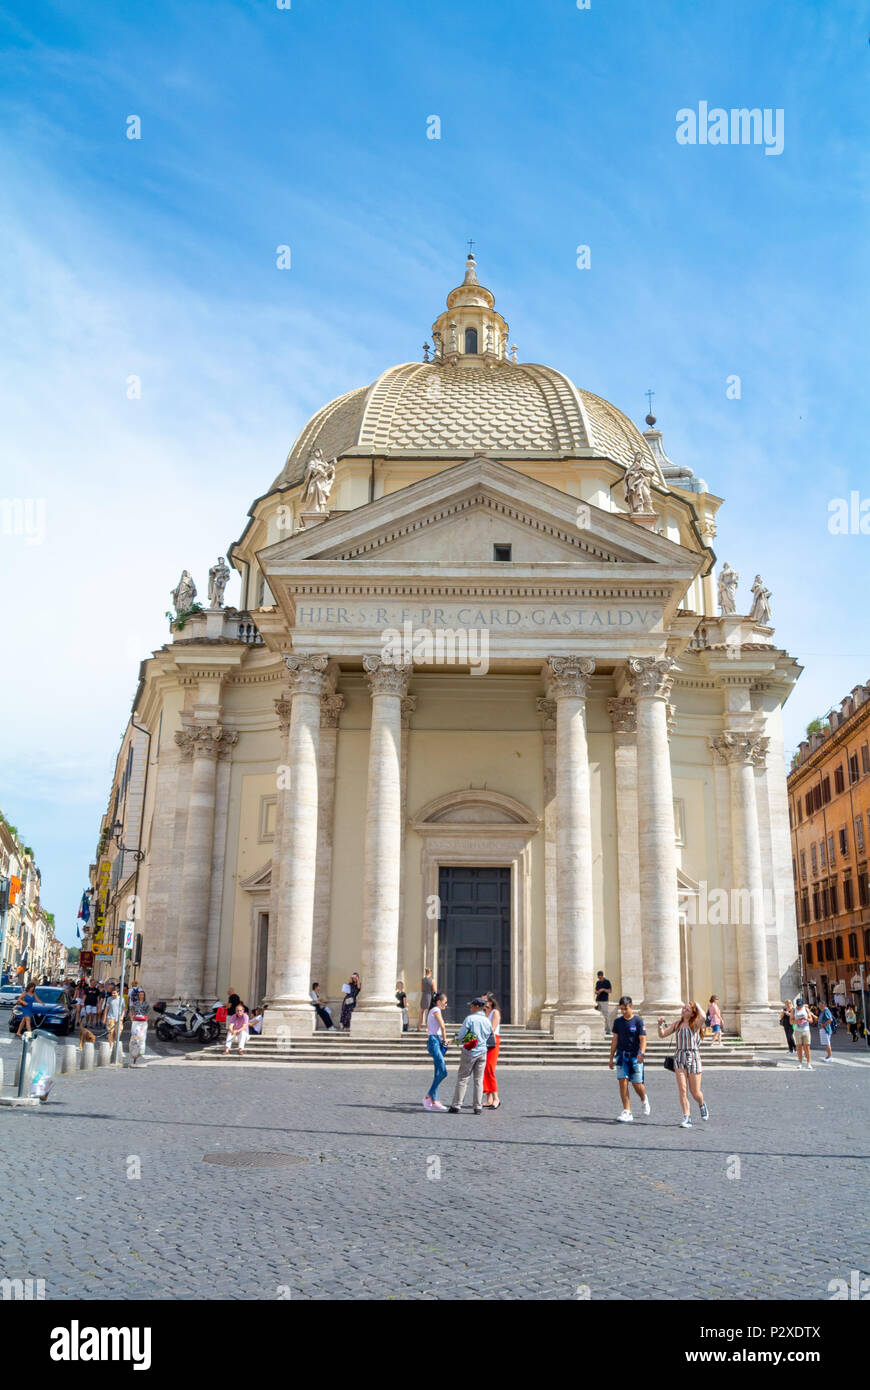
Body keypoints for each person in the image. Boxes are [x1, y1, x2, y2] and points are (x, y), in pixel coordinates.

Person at [658, 1002, 708, 1128]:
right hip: (679, 1058)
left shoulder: (695, 1024)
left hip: (693, 1058)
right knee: (683, 1090)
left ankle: (702, 1104)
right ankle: (687, 1117)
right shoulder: (677, 1024)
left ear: (692, 1013)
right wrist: (660, 1026)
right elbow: (662, 1034)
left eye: (687, 1009)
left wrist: (696, 1004)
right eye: (683, 1008)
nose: (683, 1010)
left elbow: (703, 1017)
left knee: (695, 1092)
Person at [448, 998, 493, 1115]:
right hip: (482, 1051)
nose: (470, 1008)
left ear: (477, 1006)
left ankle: (456, 1105)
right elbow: (489, 1035)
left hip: (469, 1052)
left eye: (472, 1006)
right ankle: (477, 1107)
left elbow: (462, 1035)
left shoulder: (470, 1019)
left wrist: (454, 1040)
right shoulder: (487, 1020)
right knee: (479, 1080)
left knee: (463, 1079)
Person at [609, 996, 650, 1121]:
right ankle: (627, 1111)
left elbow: (643, 1039)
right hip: (621, 1056)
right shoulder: (618, 1022)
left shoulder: (638, 1021)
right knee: (623, 1082)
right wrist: (611, 1057)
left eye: (625, 1009)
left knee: (637, 1084)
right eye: (621, 1009)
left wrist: (641, 1054)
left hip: (635, 1056)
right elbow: (615, 1039)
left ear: (631, 1007)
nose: (623, 1011)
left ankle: (644, 1099)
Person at [423, 991, 449, 1111]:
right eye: (445, 1002)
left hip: (435, 1040)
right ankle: (428, 1096)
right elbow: (443, 1026)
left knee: (438, 1071)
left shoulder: (432, 1010)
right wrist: (444, 1041)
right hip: (435, 1041)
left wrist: (442, 1041)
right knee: (443, 1071)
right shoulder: (436, 1010)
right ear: (439, 1002)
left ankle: (434, 1100)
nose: (446, 1005)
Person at [482, 992, 502, 1109]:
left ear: (490, 1002)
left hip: (493, 1041)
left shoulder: (495, 1012)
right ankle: (489, 1098)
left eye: (484, 1001)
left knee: (489, 1068)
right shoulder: (485, 1013)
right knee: (484, 1069)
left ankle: (496, 1098)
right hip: (485, 1041)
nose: (482, 1002)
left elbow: (492, 1029)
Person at [790, 997, 816, 1069]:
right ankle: (800, 1063)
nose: (799, 1007)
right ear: (796, 1005)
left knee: (807, 1047)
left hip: (806, 1030)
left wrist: (806, 1019)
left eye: (800, 1005)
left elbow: (811, 1020)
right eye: (798, 1006)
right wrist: (797, 1020)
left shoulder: (806, 1009)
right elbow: (791, 1022)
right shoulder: (793, 1010)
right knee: (799, 1048)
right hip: (797, 1031)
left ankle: (808, 1063)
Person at [595, 971, 613, 1036]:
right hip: (598, 1000)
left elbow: (610, 991)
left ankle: (608, 1030)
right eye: (598, 977)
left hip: (604, 1001)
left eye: (600, 977)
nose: (599, 978)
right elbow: (596, 991)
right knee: (596, 1015)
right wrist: (597, 992)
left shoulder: (607, 982)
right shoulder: (598, 982)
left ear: (602, 976)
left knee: (606, 1015)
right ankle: (597, 1029)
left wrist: (603, 989)